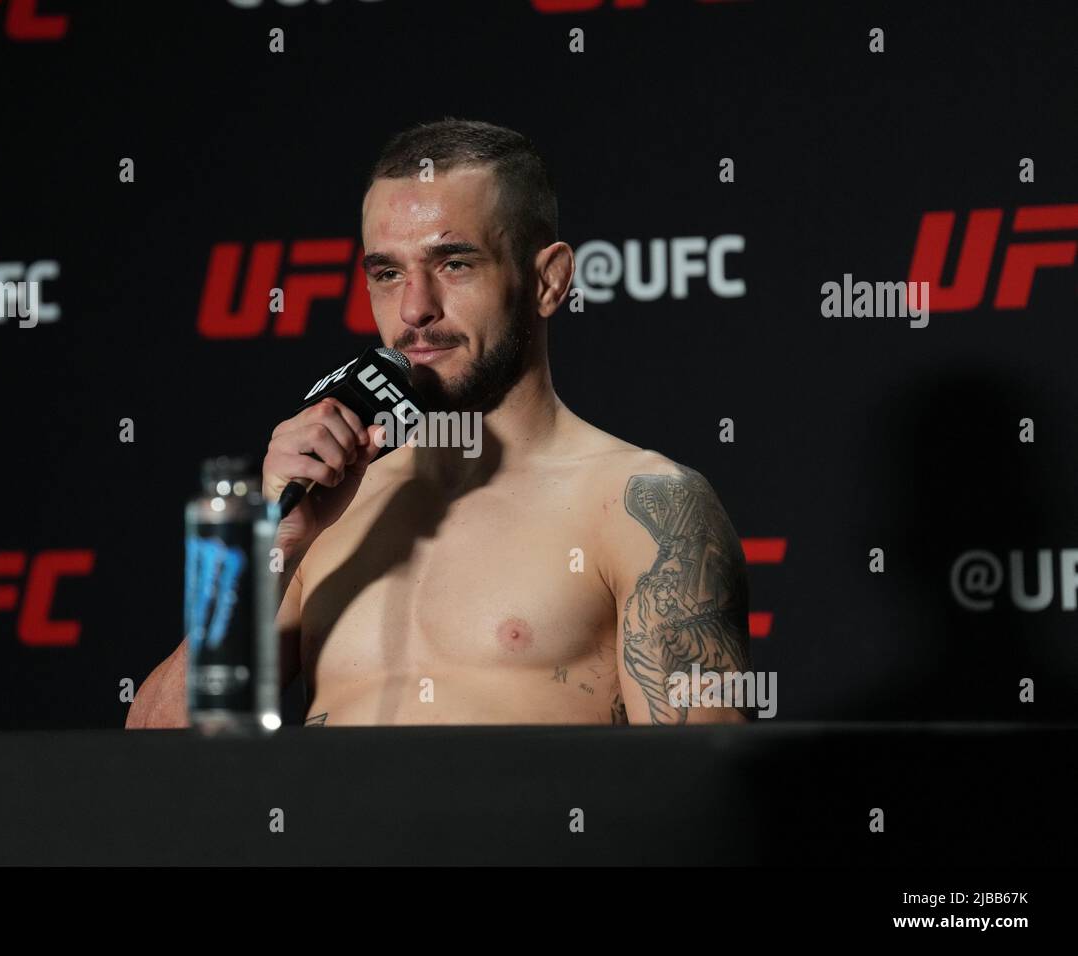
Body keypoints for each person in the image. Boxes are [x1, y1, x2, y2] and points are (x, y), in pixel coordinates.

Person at [126, 118, 750, 728]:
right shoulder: (321, 515)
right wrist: (277, 547)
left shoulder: (641, 505)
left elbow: (700, 797)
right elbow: (154, 764)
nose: (415, 309)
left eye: (454, 264)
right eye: (387, 273)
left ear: (548, 279)